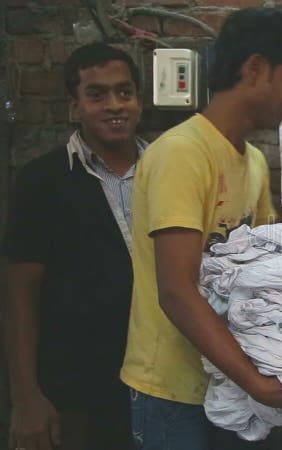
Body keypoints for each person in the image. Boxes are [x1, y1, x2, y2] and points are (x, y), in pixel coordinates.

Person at [119, 7, 282, 450]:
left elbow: (267, 272)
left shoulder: (254, 162)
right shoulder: (182, 154)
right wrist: (259, 383)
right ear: (255, 68)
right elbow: (176, 291)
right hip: (173, 390)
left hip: (232, 383)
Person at [3, 43, 145, 450]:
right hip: (77, 390)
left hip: (162, 383)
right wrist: (26, 396)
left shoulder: (168, 169)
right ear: (74, 106)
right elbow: (19, 294)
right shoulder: (42, 181)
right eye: (97, 94)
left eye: (125, 91)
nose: (115, 105)